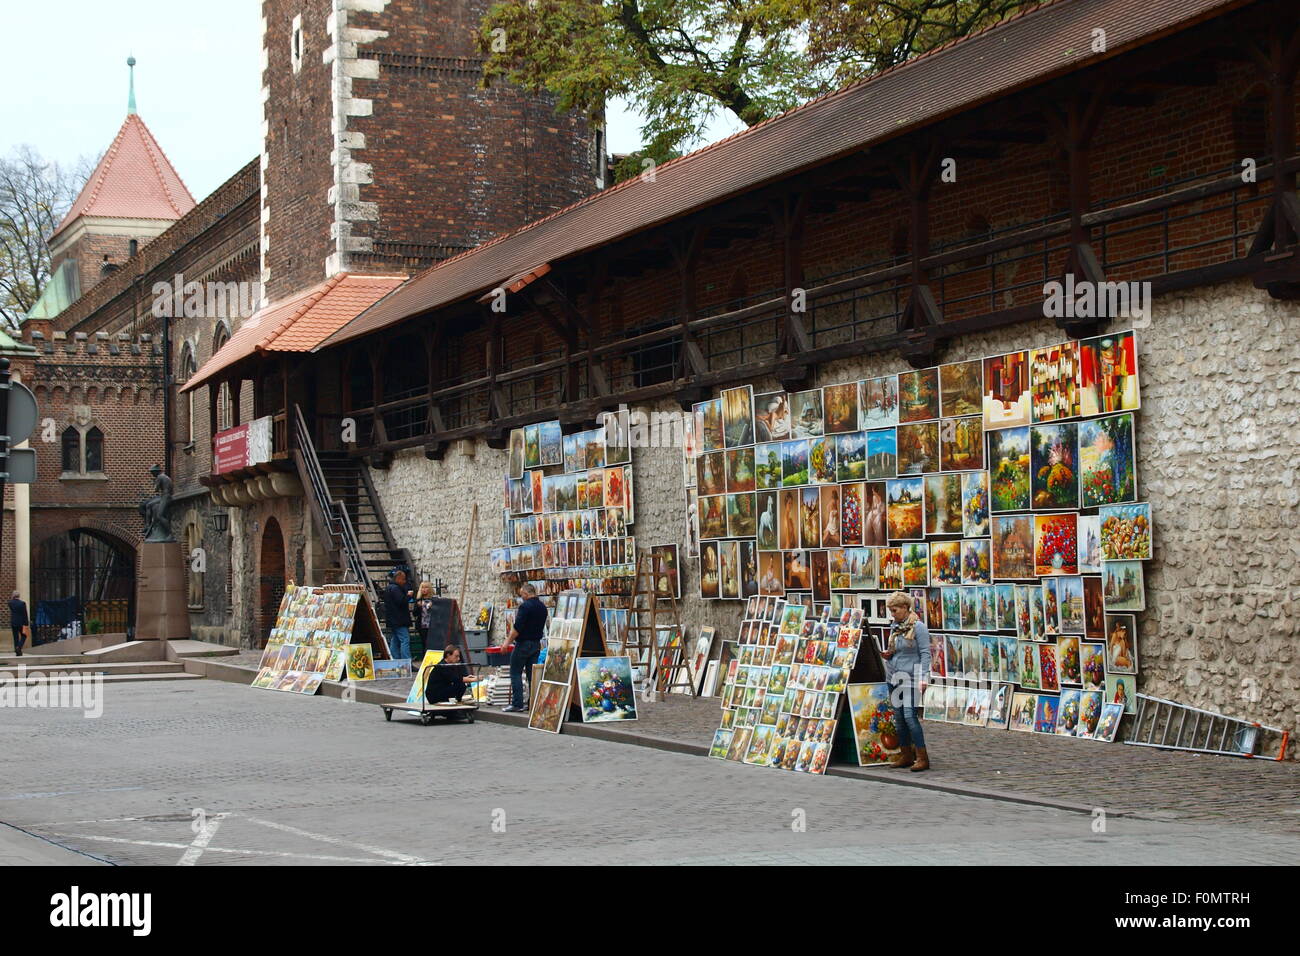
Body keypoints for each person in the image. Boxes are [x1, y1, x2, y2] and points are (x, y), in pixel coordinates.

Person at [880, 590, 933, 771]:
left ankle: (922, 757)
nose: (892, 615)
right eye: (891, 611)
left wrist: (923, 677)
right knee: (899, 718)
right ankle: (906, 754)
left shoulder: (918, 627)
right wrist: (888, 654)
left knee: (910, 716)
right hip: (894, 676)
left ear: (905, 607)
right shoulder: (895, 626)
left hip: (911, 677)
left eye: (894, 610)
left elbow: (925, 653)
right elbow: (896, 649)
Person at [503, 582, 547, 712]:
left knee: (515, 672)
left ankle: (517, 703)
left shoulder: (525, 607)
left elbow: (517, 628)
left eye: (522, 594)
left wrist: (507, 642)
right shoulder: (542, 607)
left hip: (523, 644)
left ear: (526, 594)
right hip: (536, 644)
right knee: (531, 674)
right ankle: (533, 702)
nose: (521, 597)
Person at [423, 644, 479, 709]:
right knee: (460, 684)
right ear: (448, 655)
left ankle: (457, 700)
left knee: (460, 684)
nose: (458, 659)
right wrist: (475, 679)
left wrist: (469, 677)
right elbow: (456, 679)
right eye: (456, 656)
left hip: (441, 690)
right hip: (435, 695)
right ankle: (457, 701)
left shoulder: (450, 665)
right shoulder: (443, 666)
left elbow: (458, 676)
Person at [383, 569, 413, 663]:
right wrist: (408, 596)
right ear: (399, 578)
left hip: (393, 619)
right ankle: (406, 662)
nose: (404, 582)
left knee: (395, 639)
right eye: (403, 579)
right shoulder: (395, 589)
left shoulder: (389, 588)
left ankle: (395, 660)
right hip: (399, 619)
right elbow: (401, 601)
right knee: (405, 639)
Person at [9, 591, 28, 657]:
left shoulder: (10, 603)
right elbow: (25, 614)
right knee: (24, 635)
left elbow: (12, 608)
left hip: (13, 622)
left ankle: (17, 651)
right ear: (19, 596)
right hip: (21, 622)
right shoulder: (22, 603)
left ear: (13, 596)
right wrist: (26, 623)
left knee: (15, 637)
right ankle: (19, 647)